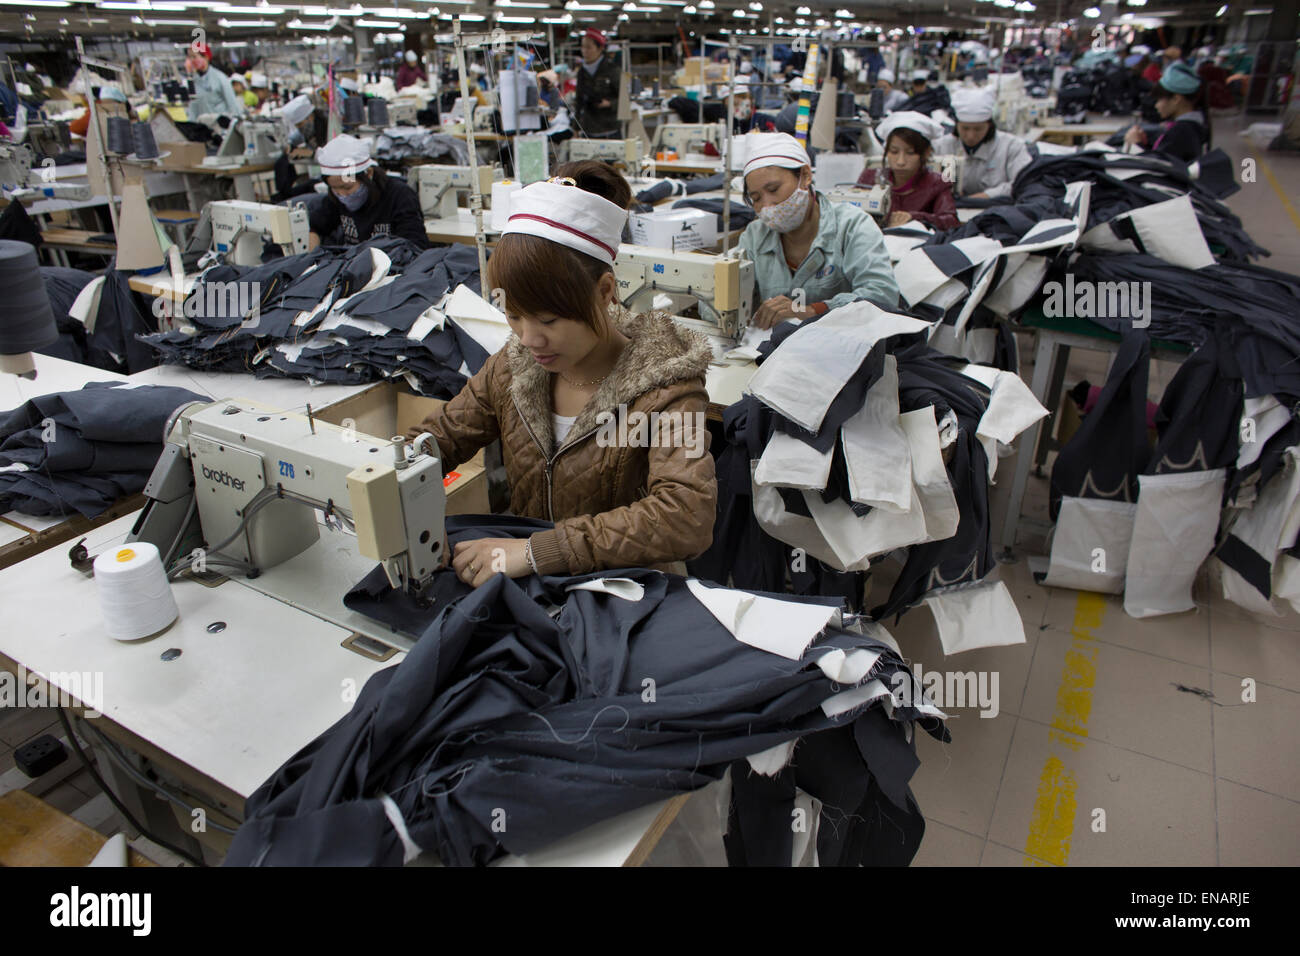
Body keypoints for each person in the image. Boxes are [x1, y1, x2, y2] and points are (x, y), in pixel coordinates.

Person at [405, 161, 717, 581]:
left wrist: (538, 551)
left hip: (633, 594)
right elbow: (435, 441)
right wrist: (408, 506)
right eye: (514, 317)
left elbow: (686, 516)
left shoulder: (669, 390)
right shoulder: (512, 369)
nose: (530, 338)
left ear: (605, 292)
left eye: (549, 321)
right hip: (540, 589)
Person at [736, 132, 900, 330]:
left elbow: (882, 295)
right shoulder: (755, 236)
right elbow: (729, 292)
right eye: (756, 198)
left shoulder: (852, 226)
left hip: (846, 346)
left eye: (773, 189)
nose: (767, 205)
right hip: (775, 350)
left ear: (805, 176)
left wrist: (813, 310)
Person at [306, 134, 428, 249]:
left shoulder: (400, 196)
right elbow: (315, 227)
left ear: (369, 173)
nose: (342, 195)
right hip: (353, 266)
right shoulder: (335, 198)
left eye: (347, 188)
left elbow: (414, 245)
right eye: (334, 188)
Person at [858, 111, 958, 230]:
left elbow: (951, 221)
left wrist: (915, 217)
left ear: (926, 153)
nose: (901, 161)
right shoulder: (869, 179)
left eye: (910, 153)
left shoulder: (937, 184)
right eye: (894, 152)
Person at [933, 87, 1032, 200]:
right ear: (956, 125)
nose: (970, 136)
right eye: (965, 129)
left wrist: (981, 197)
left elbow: (1022, 182)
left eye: (978, 129)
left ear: (989, 126)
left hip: (996, 208)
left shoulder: (1012, 147)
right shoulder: (942, 146)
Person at [1123, 60, 1212, 162]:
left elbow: (1158, 169)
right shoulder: (1196, 125)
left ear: (1176, 99)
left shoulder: (1179, 132)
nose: (1156, 105)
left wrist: (1136, 144)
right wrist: (1145, 145)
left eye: (1159, 99)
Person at [573, 28, 621, 138]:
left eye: (589, 47)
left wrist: (609, 103)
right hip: (589, 129)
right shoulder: (582, 72)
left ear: (600, 49)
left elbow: (624, 99)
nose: (584, 51)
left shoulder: (613, 70)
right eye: (583, 47)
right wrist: (575, 129)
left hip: (610, 129)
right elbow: (578, 101)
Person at [185, 42, 244, 121]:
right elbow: (193, 107)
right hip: (201, 127)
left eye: (194, 57)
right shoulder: (193, 82)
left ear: (206, 57)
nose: (191, 60)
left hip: (220, 127)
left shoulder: (220, 78)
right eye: (189, 57)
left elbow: (232, 104)